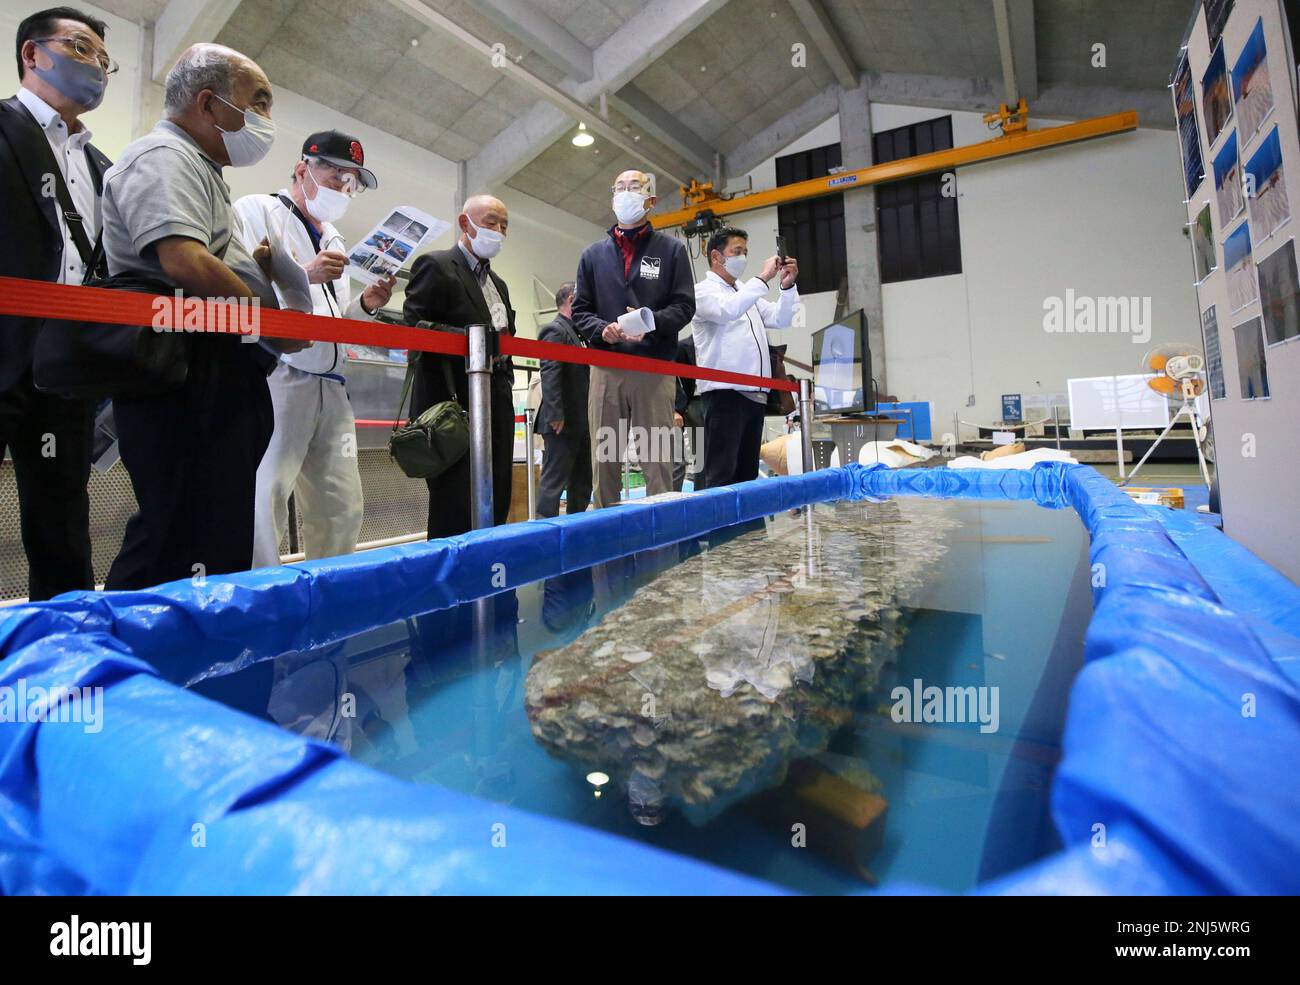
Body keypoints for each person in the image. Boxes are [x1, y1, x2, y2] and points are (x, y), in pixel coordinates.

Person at [99, 43, 306, 590]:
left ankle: (205, 657)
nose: (265, 120)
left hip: (218, 370)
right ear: (210, 104)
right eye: (258, 103)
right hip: (187, 369)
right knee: (177, 530)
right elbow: (183, 259)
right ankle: (134, 660)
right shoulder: (162, 157)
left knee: (215, 527)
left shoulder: (200, 168)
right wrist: (268, 318)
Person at [234, 130, 395, 567]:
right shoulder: (257, 210)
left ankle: (331, 592)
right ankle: (262, 596)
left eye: (352, 181)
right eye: (337, 174)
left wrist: (366, 305)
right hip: (280, 372)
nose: (344, 186)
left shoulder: (335, 238)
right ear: (303, 168)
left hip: (333, 381)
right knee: (266, 493)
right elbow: (241, 287)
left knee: (341, 503)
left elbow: (337, 316)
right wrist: (304, 273)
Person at [0, 7, 114, 599]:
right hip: (5, 347)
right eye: (80, 47)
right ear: (31, 53)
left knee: (63, 524)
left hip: (67, 367)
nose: (95, 64)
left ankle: (68, 651)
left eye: (103, 58)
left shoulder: (102, 166)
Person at [571, 170, 695, 507]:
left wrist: (650, 322)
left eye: (635, 187)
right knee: (604, 460)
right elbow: (580, 310)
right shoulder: (592, 256)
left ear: (651, 200)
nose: (627, 193)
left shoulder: (672, 251)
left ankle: (662, 541)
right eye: (620, 188)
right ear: (612, 200)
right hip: (606, 369)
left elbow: (685, 306)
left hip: (653, 370)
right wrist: (602, 330)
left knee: (657, 461)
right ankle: (606, 535)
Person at [402, 194, 516, 538]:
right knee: (454, 506)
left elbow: (508, 338)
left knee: (497, 498)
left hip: (496, 400)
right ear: (465, 224)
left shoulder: (499, 285)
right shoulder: (436, 266)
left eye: (504, 225)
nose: (498, 231)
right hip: (451, 409)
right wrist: (474, 340)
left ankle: (491, 574)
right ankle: (451, 586)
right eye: (491, 222)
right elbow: (414, 326)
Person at [692, 226, 799, 489]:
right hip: (725, 394)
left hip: (755, 395)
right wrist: (762, 277)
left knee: (747, 475)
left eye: (745, 252)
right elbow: (728, 310)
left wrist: (787, 286)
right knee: (721, 474)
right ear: (716, 256)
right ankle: (719, 529)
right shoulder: (703, 292)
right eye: (736, 252)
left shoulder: (743, 291)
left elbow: (780, 318)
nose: (743, 257)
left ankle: (746, 530)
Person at [535, 281, 591, 518]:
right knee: (554, 483)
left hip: (580, 421)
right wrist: (556, 414)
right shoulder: (555, 330)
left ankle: (575, 532)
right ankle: (543, 535)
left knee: (582, 483)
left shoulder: (578, 334)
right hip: (562, 422)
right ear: (571, 300)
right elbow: (550, 371)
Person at [670, 337, 703, 492]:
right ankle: (703, 497)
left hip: (720, 400)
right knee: (698, 458)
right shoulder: (682, 347)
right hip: (693, 403)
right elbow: (674, 378)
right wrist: (677, 408)